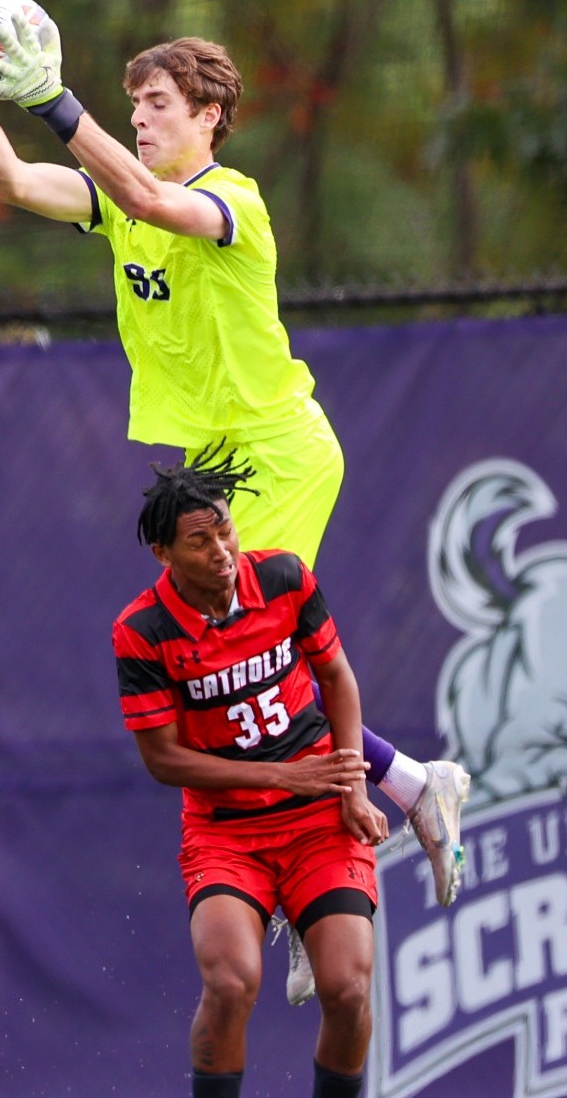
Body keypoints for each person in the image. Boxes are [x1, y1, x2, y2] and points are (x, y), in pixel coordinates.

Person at [0, 0, 469, 956]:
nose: (140, 117)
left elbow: (151, 199)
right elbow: (10, 181)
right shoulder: (119, 205)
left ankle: (355, 848)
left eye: (158, 102)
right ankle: (409, 789)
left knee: (252, 648)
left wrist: (50, 98)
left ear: (209, 115)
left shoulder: (230, 201)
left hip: (279, 449)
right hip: (216, 469)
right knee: (235, 661)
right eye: (134, 105)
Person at [112, 450, 381, 1098]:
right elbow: (162, 759)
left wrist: (353, 787)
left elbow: (337, 677)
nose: (221, 551)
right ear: (163, 554)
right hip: (227, 832)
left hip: (319, 819)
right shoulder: (141, 630)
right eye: (199, 541)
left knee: (348, 987)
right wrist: (281, 778)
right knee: (231, 983)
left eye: (225, 529)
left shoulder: (285, 577)